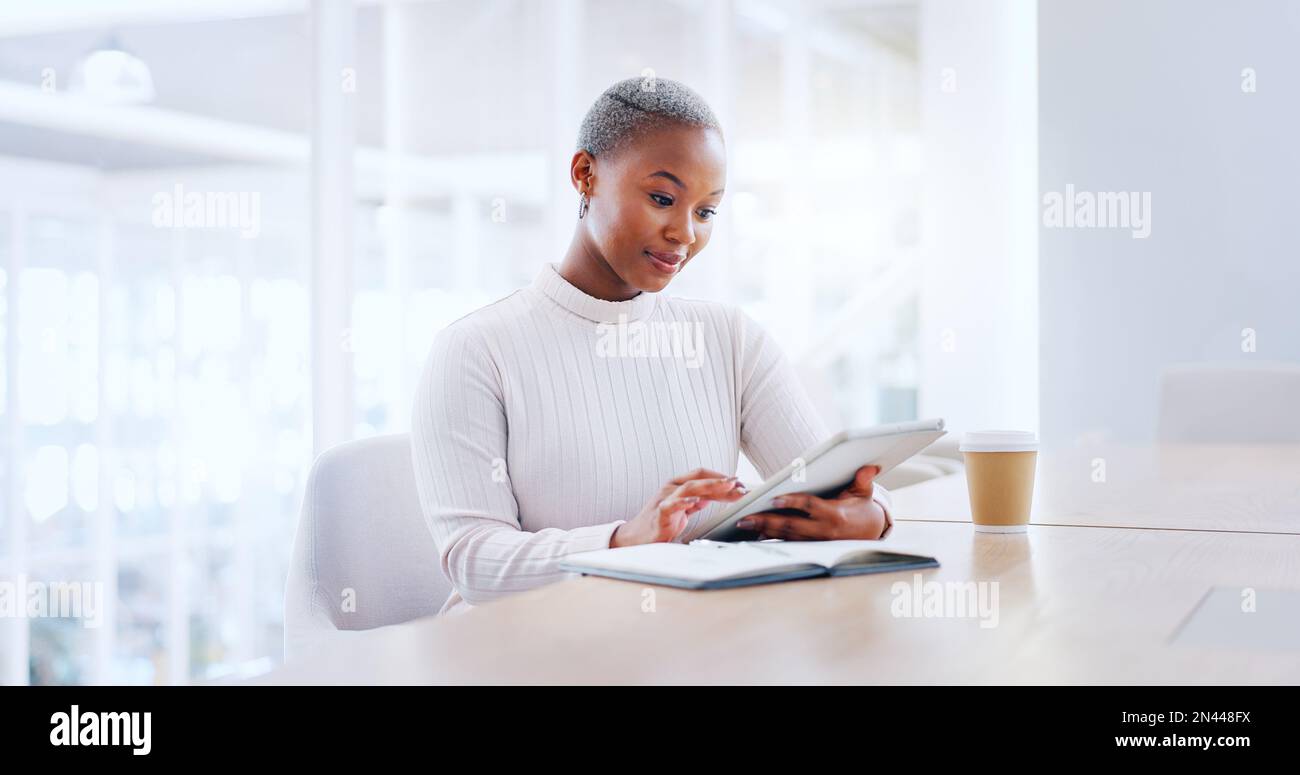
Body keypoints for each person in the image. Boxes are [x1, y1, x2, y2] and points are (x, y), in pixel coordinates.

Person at [412, 77, 892, 615]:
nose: (686, 233)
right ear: (585, 175)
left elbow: (839, 485)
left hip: (687, 639)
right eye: (663, 198)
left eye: (706, 212)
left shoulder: (730, 339)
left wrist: (868, 517)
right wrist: (623, 543)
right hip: (531, 650)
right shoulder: (476, 350)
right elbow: (474, 561)